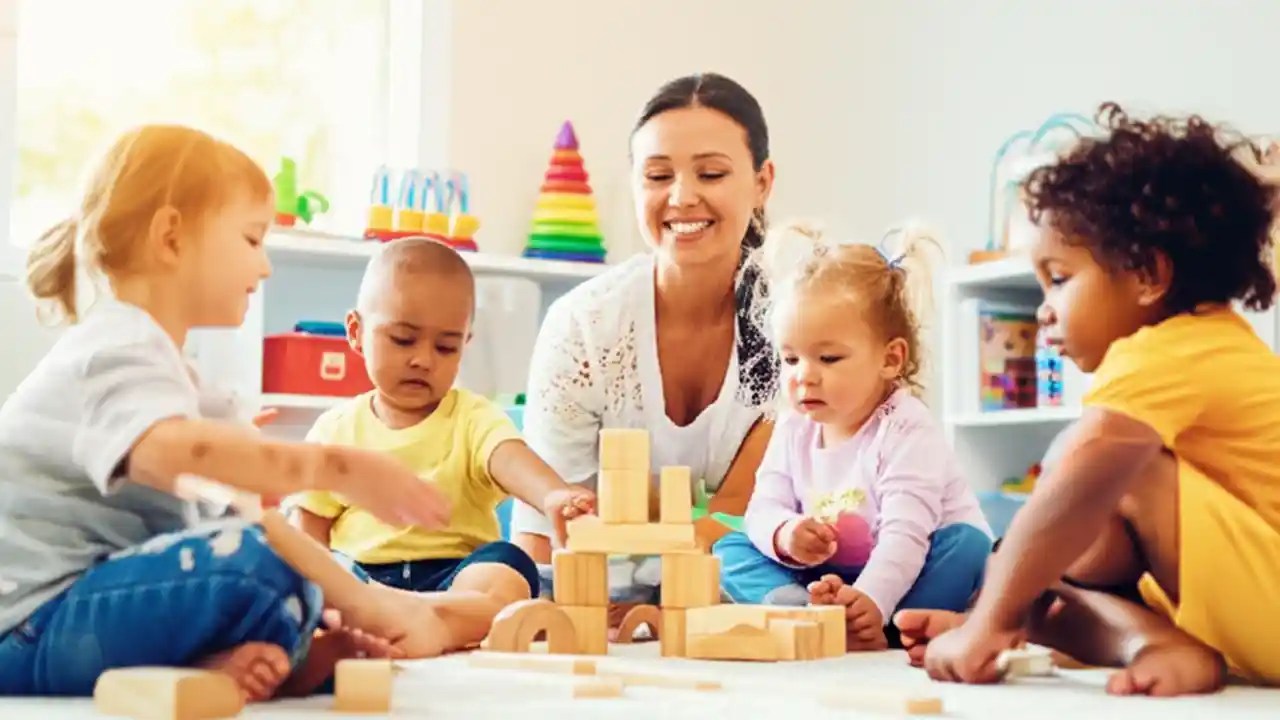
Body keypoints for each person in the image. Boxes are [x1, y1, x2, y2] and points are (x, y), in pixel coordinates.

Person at [0, 125, 459, 701]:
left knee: (299, 561)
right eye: (251, 239)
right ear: (171, 237)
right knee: (252, 566)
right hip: (27, 627)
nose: (265, 267)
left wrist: (366, 605)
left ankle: (261, 662)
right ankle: (263, 663)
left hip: (85, 611)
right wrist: (339, 468)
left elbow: (253, 516)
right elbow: (174, 456)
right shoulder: (114, 346)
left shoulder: (172, 373)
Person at [906, 103, 1280, 696]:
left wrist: (989, 617)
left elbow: (1084, 473)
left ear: (1148, 275)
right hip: (1251, 606)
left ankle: (998, 626)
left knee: (1093, 476)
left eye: (1059, 278)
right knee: (1054, 561)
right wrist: (1008, 606)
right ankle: (1144, 641)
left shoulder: (1171, 351)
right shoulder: (1199, 347)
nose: (1043, 307)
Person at [508, 72, 782, 610]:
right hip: (603, 599)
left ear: (762, 182)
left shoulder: (796, 321)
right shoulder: (583, 325)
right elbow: (543, 524)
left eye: (711, 173)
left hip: (747, 585)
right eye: (658, 175)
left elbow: (735, 519)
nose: (682, 197)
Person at [286, 236, 596, 650]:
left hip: (456, 579)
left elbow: (509, 457)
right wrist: (315, 583)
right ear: (357, 333)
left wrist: (553, 494)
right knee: (321, 575)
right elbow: (310, 528)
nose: (423, 359)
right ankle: (376, 620)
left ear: (465, 343)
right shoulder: (335, 429)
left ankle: (439, 620)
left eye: (445, 346)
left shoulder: (472, 416)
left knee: (510, 567)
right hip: (365, 582)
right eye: (402, 340)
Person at [713, 221, 992, 650]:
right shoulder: (792, 426)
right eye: (790, 358)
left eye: (828, 357)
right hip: (831, 577)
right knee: (729, 548)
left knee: (969, 546)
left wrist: (872, 600)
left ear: (890, 359)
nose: (803, 376)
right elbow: (763, 507)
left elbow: (906, 534)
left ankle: (887, 626)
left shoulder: (905, 427)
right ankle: (802, 614)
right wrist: (786, 534)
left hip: (908, 568)